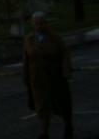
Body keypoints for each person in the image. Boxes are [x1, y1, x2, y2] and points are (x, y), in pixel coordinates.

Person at [23, 11, 73, 139]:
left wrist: (65, 72)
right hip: (37, 79)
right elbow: (26, 60)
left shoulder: (55, 38)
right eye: (36, 24)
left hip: (55, 77)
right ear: (32, 25)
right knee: (41, 107)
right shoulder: (29, 39)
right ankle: (44, 133)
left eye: (41, 23)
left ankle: (68, 125)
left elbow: (65, 54)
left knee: (61, 104)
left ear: (46, 24)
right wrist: (26, 77)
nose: (39, 26)